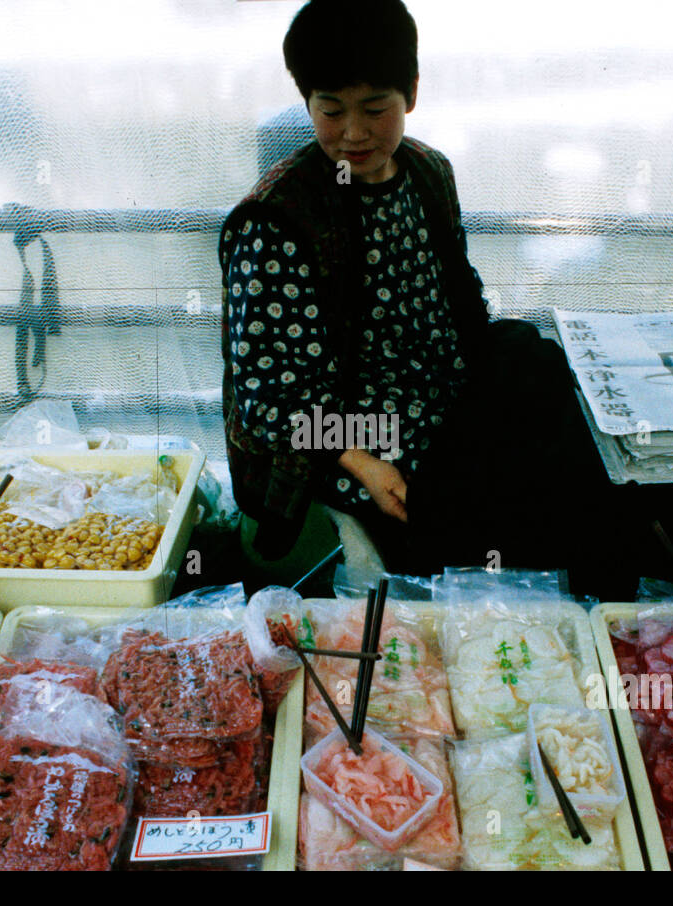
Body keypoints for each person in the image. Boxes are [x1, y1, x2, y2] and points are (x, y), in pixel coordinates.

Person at [219, 0, 605, 577]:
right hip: (353, 431)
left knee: (532, 358)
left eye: (375, 109)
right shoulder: (279, 220)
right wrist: (367, 464)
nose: (353, 134)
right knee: (503, 520)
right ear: (308, 104)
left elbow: (459, 295)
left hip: (440, 399)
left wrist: (495, 385)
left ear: (412, 94)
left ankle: (598, 592)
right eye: (330, 111)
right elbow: (269, 402)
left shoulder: (428, 171)